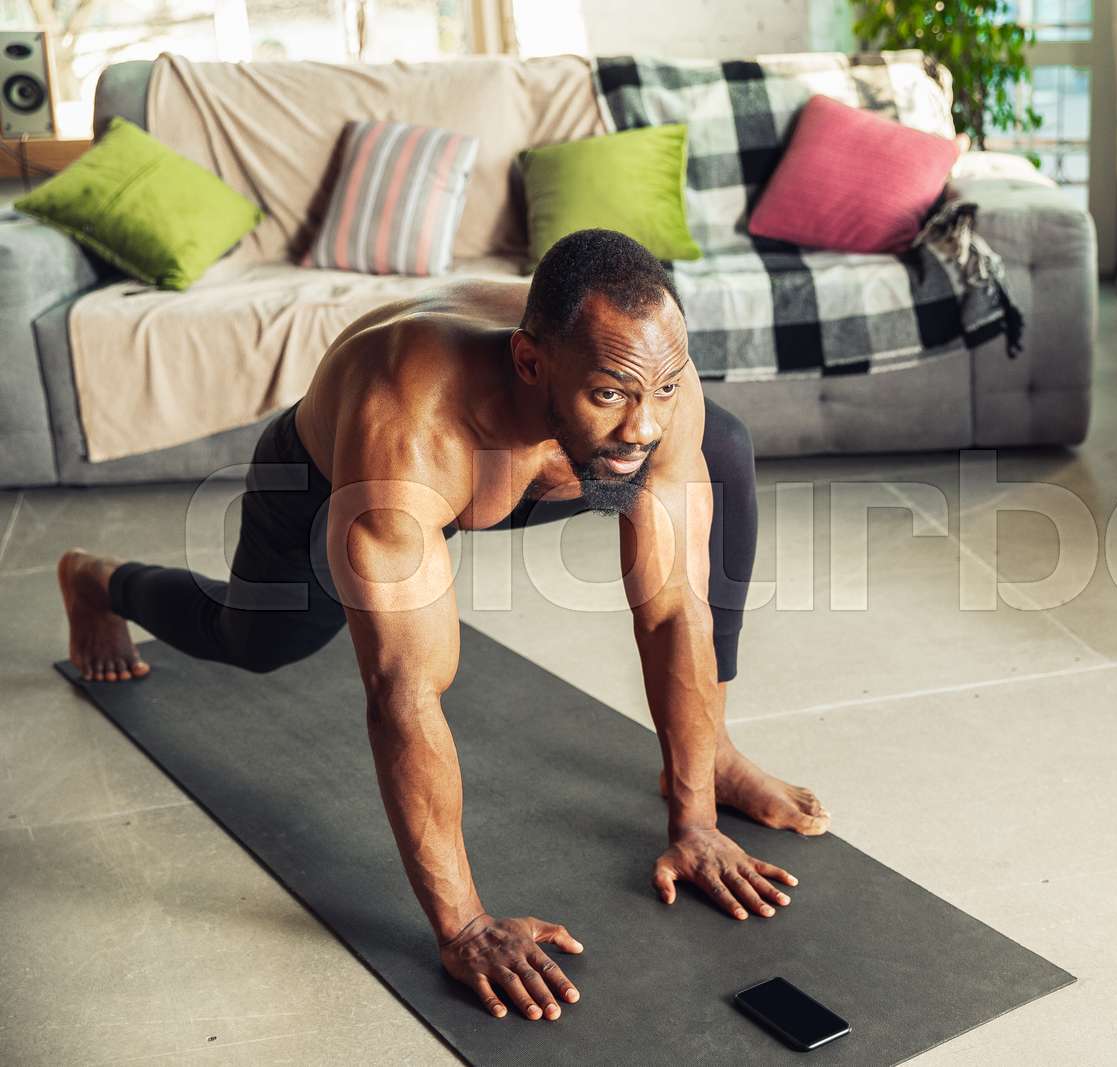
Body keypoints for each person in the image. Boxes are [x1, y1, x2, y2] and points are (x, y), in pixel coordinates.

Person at [56, 228, 830, 1024]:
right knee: (257, 641)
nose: (643, 423)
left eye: (662, 389)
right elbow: (406, 692)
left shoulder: (652, 381)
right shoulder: (407, 422)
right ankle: (97, 580)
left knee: (720, 448)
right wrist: (462, 925)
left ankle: (709, 754)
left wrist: (695, 820)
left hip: (545, 455)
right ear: (532, 363)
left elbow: (671, 607)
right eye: (612, 394)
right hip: (335, 475)